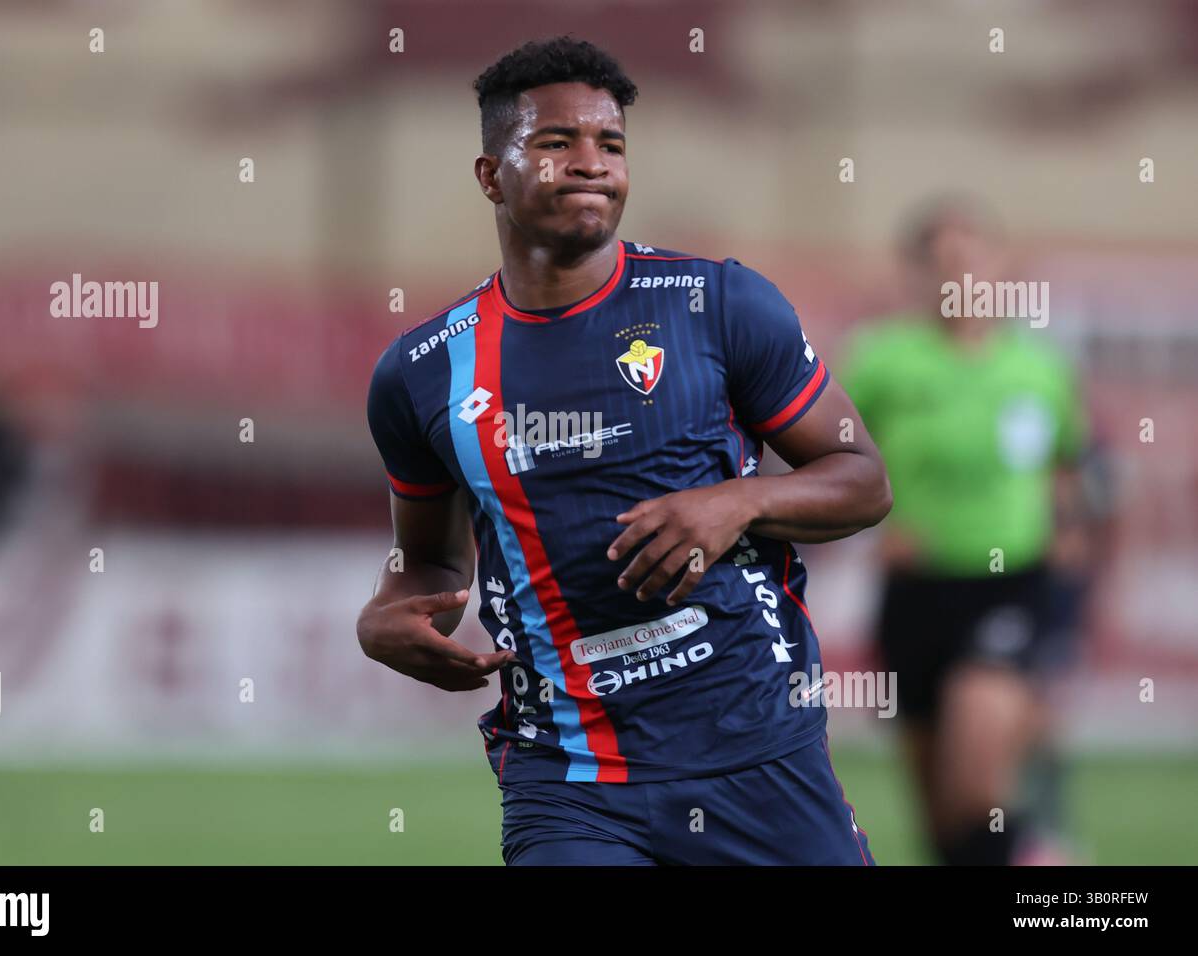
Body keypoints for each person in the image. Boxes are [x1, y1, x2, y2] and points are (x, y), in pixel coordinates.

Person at [358, 36, 891, 865]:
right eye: (554, 142)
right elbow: (427, 563)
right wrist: (383, 620)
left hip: (753, 746)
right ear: (490, 176)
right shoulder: (421, 373)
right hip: (568, 771)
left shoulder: (719, 304)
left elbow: (863, 480)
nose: (590, 163)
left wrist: (738, 499)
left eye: (610, 144)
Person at [841, 197, 1090, 865]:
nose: (961, 276)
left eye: (972, 258)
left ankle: (1045, 856)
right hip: (915, 595)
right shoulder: (881, 359)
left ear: (1001, 265)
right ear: (918, 272)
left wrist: (1069, 558)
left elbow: (1070, 470)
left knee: (977, 785)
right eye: (943, 261)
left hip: (1009, 589)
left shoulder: (1039, 367)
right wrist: (865, 527)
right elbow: (829, 455)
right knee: (942, 819)